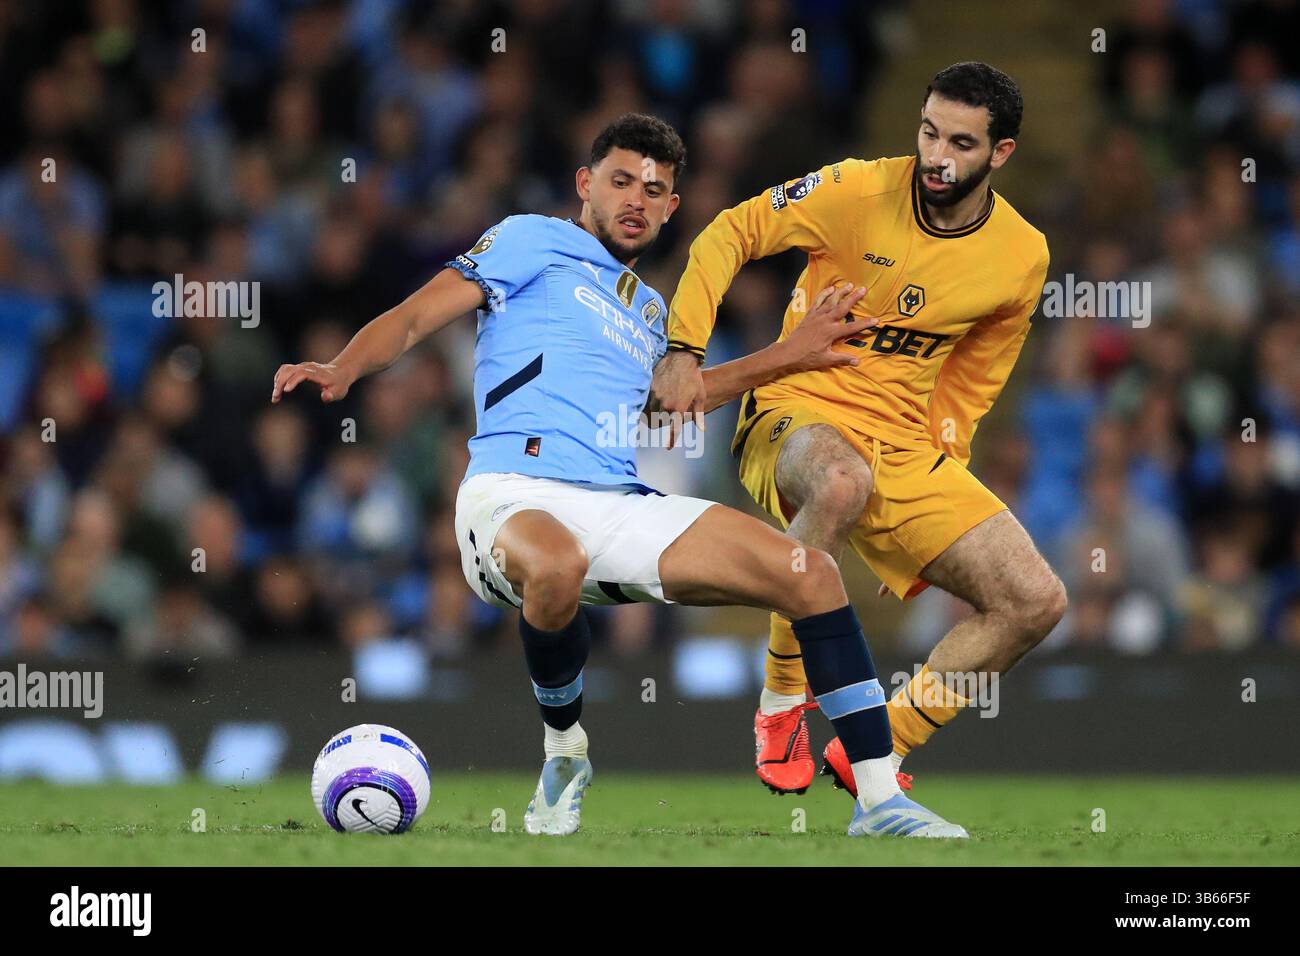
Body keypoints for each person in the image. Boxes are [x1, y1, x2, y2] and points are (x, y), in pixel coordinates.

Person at [273, 113, 968, 839]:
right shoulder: (530, 239)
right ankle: (564, 747)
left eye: (657, 189)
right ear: (586, 185)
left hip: (618, 502)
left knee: (811, 574)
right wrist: (344, 364)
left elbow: (674, 405)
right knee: (558, 562)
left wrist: (791, 353)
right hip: (513, 492)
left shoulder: (653, 311)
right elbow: (416, 319)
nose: (637, 198)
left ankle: (881, 801)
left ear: (672, 208)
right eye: (622, 181)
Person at [654, 63, 1069, 797]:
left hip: (906, 445)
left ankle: (881, 744)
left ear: (1000, 154)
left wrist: (929, 501)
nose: (937, 156)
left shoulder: (1022, 254)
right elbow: (729, 233)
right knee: (843, 481)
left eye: (961, 144)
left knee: (1036, 601)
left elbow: (975, 374)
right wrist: (686, 347)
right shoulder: (855, 190)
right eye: (928, 132)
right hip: (792, 410)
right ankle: (782, 697)